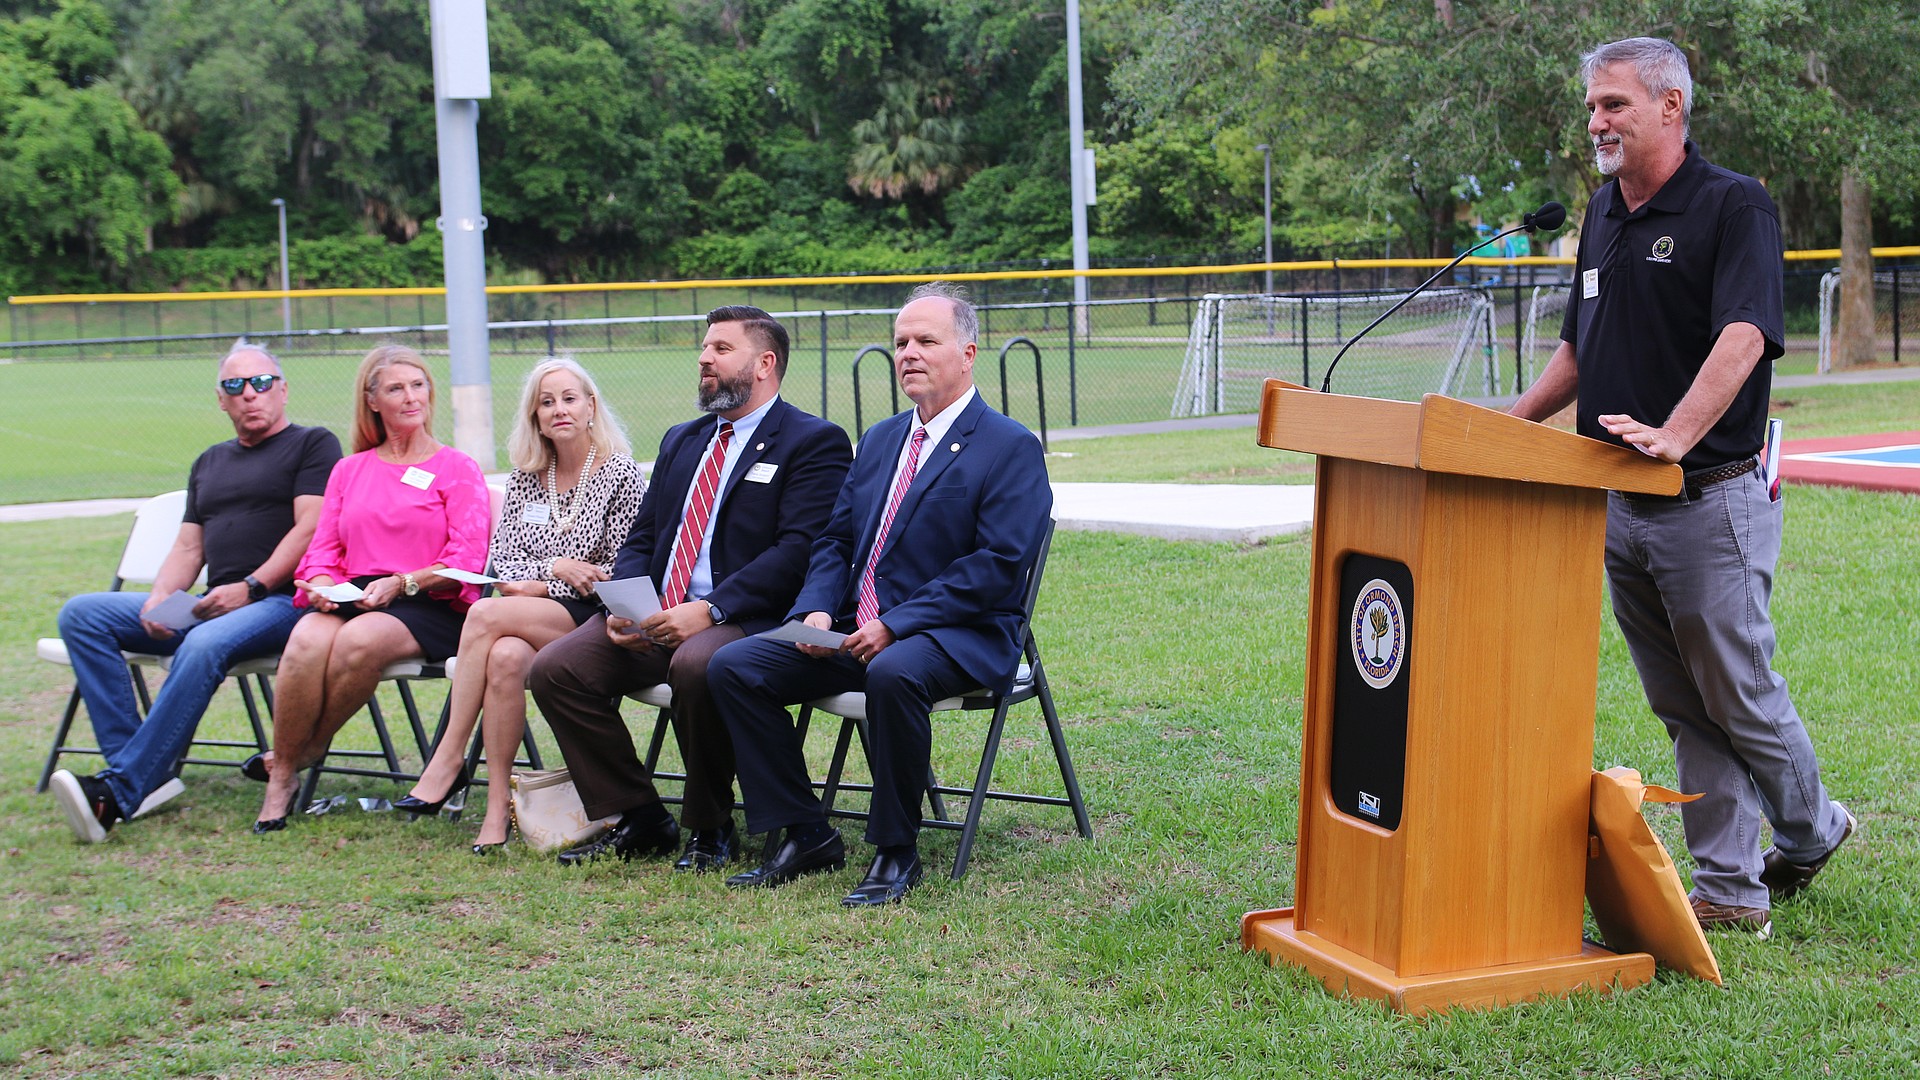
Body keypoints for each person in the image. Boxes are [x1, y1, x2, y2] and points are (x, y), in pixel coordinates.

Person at [1510, 37, 1853, 939]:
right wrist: (1504, 428)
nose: (1597, 122)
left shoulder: (1733, 206)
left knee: (1734, 690)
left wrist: (1673, 438)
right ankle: (1732, 891)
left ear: (1671, 107)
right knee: (1680, 701)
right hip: (1616, 503)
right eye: (1592, 106)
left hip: (1712, 497)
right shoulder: (1601, 213)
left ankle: (1814, 828)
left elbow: (1743, 337)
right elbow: (1579, 352)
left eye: (1614, 105)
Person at [710, 282, 1052, 906]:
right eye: (900, 343)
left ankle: (897, 850)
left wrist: (897, 623)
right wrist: (814, 608)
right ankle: (805, 830)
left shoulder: (1010, 447)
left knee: (893, 671)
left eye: (927, 340)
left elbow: (999, 565)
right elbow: (835, 541)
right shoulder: (879, 440)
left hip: (958, 632)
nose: (909, 354)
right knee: (734, 664)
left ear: (969, 351)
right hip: (852, 626)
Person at [526, 307, 851, 871]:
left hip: (746, 618)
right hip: (659, 614)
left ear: (765, 364)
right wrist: (623, 604)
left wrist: (710, 609)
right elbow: (644, 535)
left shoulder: (812, 441)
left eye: (721, 349)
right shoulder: (683, 439)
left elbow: (799, 551)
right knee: (555, 670)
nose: (704, 358)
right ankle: (640, 816)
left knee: (699, 663)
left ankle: (710, 825)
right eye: (705, 348)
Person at [49, 344, 341, 843]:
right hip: (212, 604)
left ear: (284, 390)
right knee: (84, 614)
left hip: (278, 604)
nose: (250, 394)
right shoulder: (210, 461)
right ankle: (142, 773)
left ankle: (117, 792)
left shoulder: (313, 444)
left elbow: (309, 530)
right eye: (235, 386)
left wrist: (250, 587)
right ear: (221, 401)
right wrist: (160, 599)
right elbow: (189, 546)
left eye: (262, 383)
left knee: (201, 644)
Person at [394, 358, 645, 854]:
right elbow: (504, 559)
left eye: (569, 398)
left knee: (485, 614)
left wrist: (546, 585)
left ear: (590, 406)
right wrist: (557, 567)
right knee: (505, 657)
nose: (559, 410)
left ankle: (447, 761)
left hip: (598, 619)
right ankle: (495, 812)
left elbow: (619, 572)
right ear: (534, 416)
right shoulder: (529, 477)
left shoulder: (620, 473)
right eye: (546, 402)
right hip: (532, 611)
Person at [251, 344, 492, 833]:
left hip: (430, 600)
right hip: (355, 595)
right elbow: (323, 550)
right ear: (373, 401)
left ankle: (301, 752)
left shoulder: (455, 468)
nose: (411, 397)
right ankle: (285, 778)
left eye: (418, 385)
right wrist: (320, 584)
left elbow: (465, 561)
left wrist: (402, 583)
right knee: (304, 641)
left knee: (359, 641)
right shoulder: (349, 470)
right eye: (396, 388)